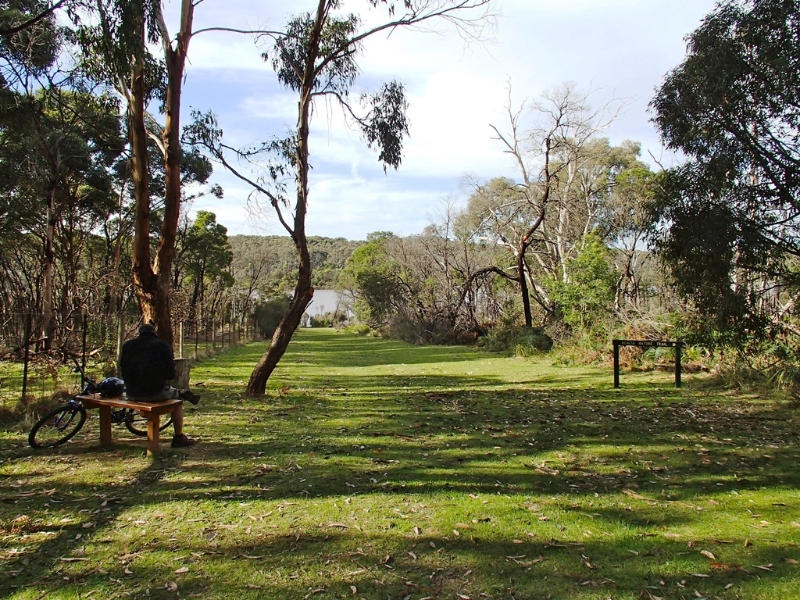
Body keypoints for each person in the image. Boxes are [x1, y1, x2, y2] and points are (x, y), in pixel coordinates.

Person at [120, 323, 200, 448]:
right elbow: (170, 374)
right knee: (178, 402)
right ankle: (178, 437)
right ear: (154, 332)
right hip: (155, 392)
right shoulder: (162, 346)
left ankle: (181, 392)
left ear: (139, 333)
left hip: (131, 392)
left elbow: (123, 370)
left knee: (169, 391)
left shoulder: (127, 346)